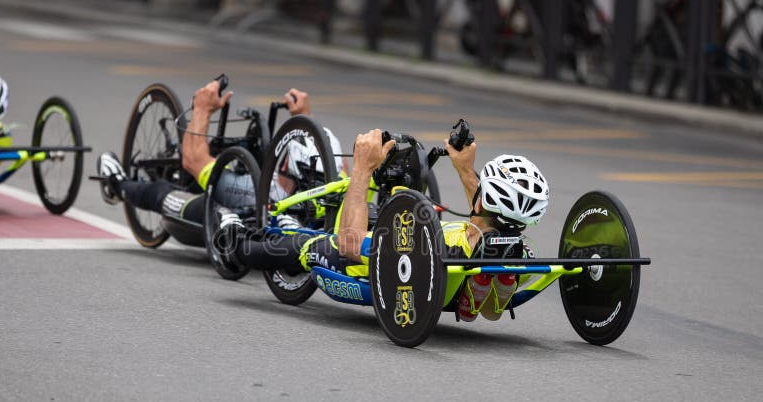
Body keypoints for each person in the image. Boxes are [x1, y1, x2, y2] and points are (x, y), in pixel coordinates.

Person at [230, 127, 550, 321]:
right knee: (401, 205)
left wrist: (362, 169)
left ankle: (234, 241)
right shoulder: (508, 251)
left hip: (362, 263)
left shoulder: (428, 250)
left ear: (481, 200)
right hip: (441, 269)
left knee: (310, 243)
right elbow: (485, 216)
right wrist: (466, 170)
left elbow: (351, 244)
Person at [97, 80, 346, 227]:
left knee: (173, 199)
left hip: (224, 212)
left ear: (284, 167)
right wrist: (304, 118)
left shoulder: (259, 191)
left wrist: (202, 110)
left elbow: (192, 160)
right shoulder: (345, 194)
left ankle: (118, 185)